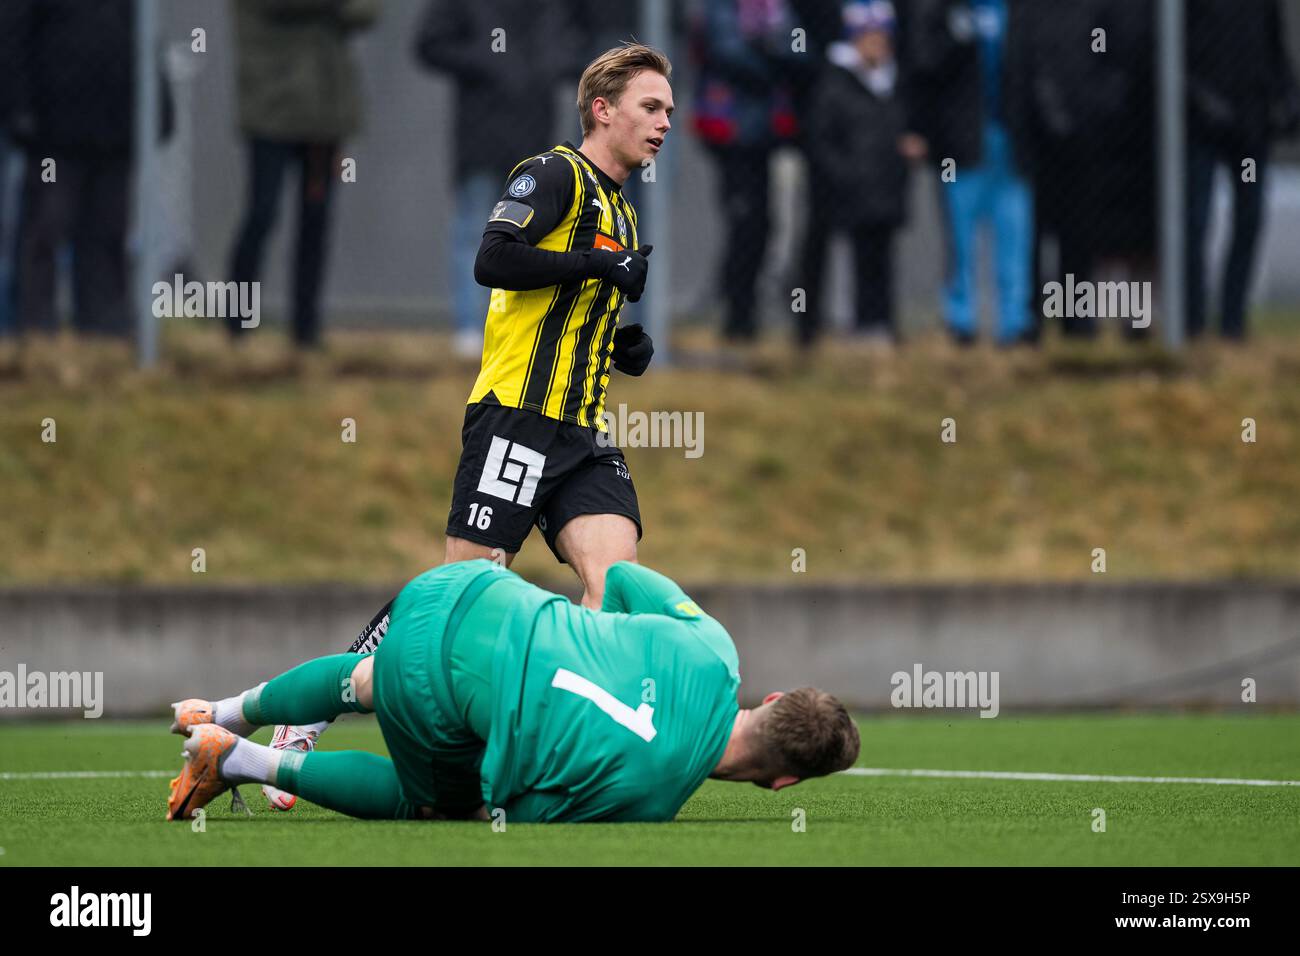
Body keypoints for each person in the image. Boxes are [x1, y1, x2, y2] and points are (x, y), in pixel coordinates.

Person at [259, 43, 669, 809]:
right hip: (515, 420)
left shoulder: (621, 206)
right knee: (455, 597)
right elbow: (494, 260)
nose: (665, 123)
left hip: (582, 435)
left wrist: (620, 344)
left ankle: (566, 745)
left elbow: (566, 311)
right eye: (652, 107)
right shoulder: (552, 175)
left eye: (670, 110)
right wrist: (597, 268)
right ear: (602, 110)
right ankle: (307, 714)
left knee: (614, 590)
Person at [166, 560, 861, 823]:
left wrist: (588, 640)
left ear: (770, 701)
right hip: (438, 690)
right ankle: (237, 759)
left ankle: (222, 710)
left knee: (367, 679)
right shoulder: (651, 802)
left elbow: (621, 575)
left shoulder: (714, 647)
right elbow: (512, 814)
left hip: (470, 585)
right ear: (783, 785)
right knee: (438, 804)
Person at [413, 0, 586, 359]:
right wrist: (486, 61)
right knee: (475, 229)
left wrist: (548, 65)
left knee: (537, 235)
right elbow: (429, 43)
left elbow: (580, 44)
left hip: (536, 134)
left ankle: (527, 330)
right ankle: (470, 330)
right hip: (481, 133)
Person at [225, 0, 379, 348]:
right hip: (270, 110)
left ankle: (306, 331)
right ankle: (236, 325)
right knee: (261, 214)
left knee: (316, 219)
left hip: (324, 114)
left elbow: (368, 11)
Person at [900, 0, 1033, 346]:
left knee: (1014, 234)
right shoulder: (941, 10)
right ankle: (961, 320)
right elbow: (924, 66)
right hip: (957, 145)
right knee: (960, 238)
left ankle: (1015, 321)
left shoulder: (1017, 11)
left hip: (1011, 141)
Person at [804, 1, 920, 346]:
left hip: (883, 191)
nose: (878, 45)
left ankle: (878, 325)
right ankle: (822, 328)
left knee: (879, 261)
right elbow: (822, 140)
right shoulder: (835, 84)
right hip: (846, 192)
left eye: (884, 38)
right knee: (836, 257)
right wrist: (847, 175)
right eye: (871, 38)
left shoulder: (893, 83)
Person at [1185, 0, 1300, 341]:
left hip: (1248, 136)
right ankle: (1193, 320)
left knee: (1248, 216)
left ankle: (1232, 319)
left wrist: (1287, 98)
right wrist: (1201, 100)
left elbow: (1274, 49)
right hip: (1201, 131)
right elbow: (1169, 54)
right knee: (1195, 221)